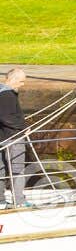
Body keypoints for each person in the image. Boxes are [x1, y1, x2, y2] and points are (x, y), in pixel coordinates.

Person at [0, 68, 27, 206]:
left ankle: (1, 201)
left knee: (1, 169)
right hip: (12, 138)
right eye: (21, 81)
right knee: (17, 170)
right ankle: (19, 201)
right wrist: (23, 127)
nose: (22, 85)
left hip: (1, 138)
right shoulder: (8, 95)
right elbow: (6, 117)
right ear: (13, 79)